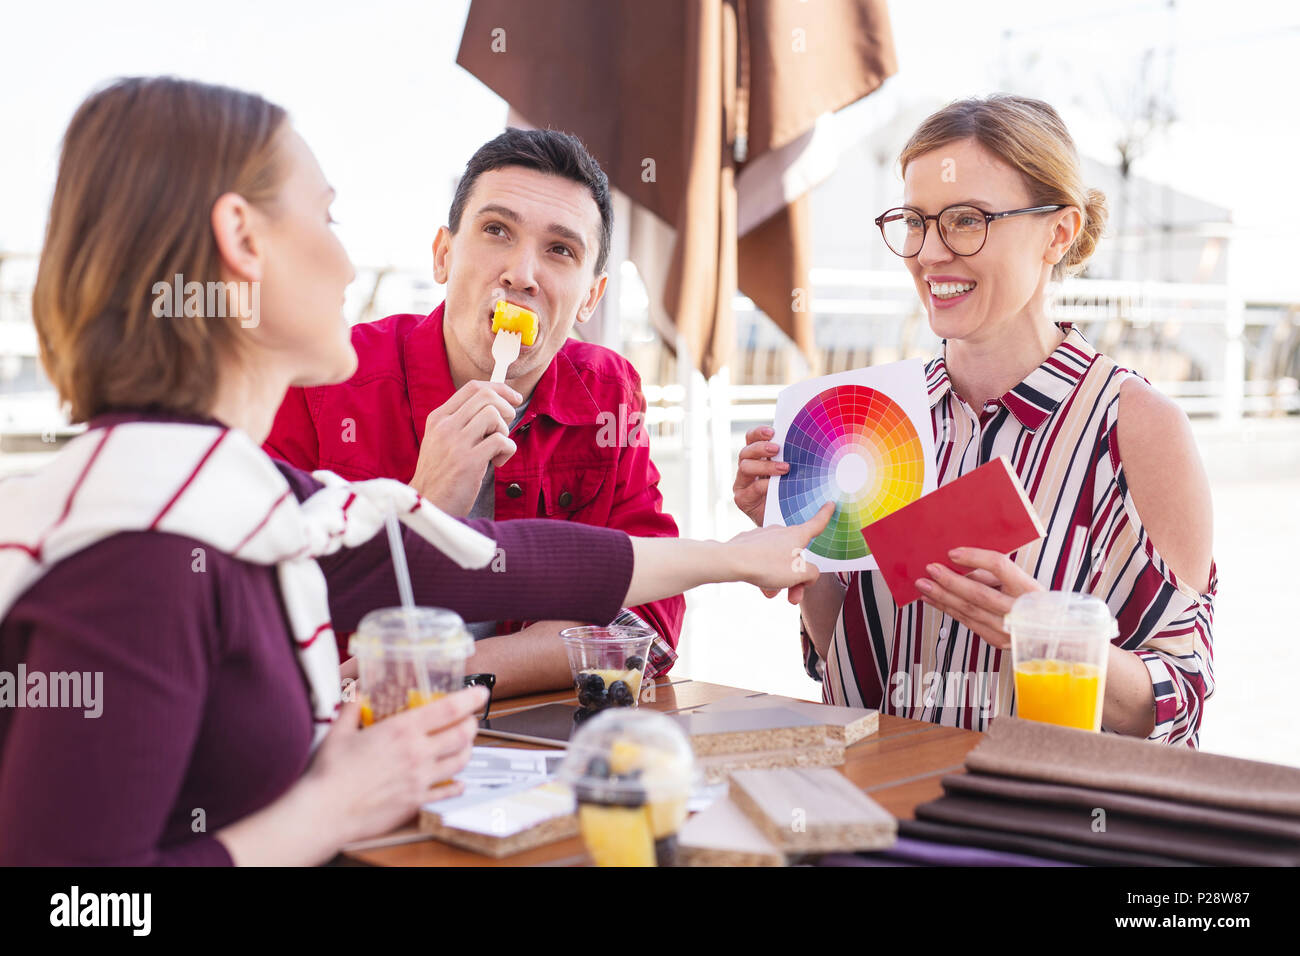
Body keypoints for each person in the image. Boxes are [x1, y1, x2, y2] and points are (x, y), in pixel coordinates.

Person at [0, 76, 832, 866]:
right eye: (326, 218)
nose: (347, 265)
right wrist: (333, 805)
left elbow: (496, 562)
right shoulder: (139, 549)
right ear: (243, 241)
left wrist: (734, 559)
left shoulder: (236, 493)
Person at [733, 94, 1216, 747]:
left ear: (1059, 232)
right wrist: (804, 548)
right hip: (882, 807)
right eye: (915, 221)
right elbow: (849, 669)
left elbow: (1180, 698)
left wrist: (1048, 637)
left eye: (966, 220)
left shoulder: (1136, 427)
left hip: (1043, 828)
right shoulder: (885, 414)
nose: (929, 253)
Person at [264, 128, 683, 698]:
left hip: (538, 744)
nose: (522, 274)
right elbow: (255, 608)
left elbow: (648, 625)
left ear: (590, 297)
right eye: (496, 231)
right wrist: (423, 502)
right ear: (443, 254)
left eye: (560, 249)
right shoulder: (325, 378)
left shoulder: (610, 393)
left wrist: (449, 669)